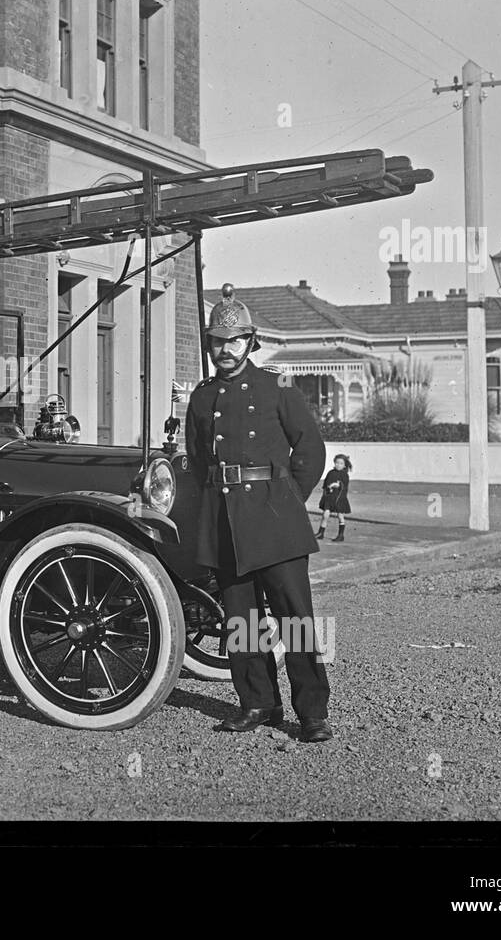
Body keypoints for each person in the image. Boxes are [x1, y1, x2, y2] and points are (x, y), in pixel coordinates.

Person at [186, 283, 333, 743]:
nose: (225, 349)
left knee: (295, 619)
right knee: (242, 621)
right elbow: (196, 461)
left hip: (276, 522)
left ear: (251, 343)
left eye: (234, 341)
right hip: (226, 522)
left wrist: (288, 500)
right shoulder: (202, 396)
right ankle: (257, 703)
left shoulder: (277, 387)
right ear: (209, 344)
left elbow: (311, 447)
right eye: (217, 341)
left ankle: (312, 712)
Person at [317, 454, 353, 542]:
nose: (338, 465)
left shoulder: (345, 475)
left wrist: (337, 485)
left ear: (345, 465)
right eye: (337, 462)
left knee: (340, 515)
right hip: (330, 498)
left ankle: (341, 535)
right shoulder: (331, 473)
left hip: (339, 498)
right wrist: (328, 488)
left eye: (341, 463)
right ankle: (321, 532)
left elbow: (344, 486)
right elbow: (326, 484)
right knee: (325, 514)